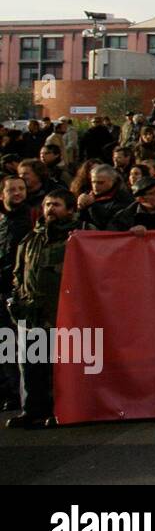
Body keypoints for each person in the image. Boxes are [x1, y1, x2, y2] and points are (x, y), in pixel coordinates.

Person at [5, 189, 79, 429]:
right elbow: (19, 272)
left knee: (61, 366)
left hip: (62, 311)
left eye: (56, 205)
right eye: (47, 204)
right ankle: (32, 410)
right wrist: (18, 299)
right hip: (32, 312)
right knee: (30, 365)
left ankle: (62, 410)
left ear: (70, 210)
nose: (50, 209)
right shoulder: (31, 238)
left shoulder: (79, 237)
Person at [0, 175, 33, 412]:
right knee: (5, 344)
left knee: (24, 347)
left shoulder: (31, 219)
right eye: (12, 189)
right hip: (3, 291)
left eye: (21, 188)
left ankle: (25, 394)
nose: (18, 193)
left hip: (20, 292)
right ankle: (12, 392)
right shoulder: (3, 222)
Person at [77, 165, 133, 231]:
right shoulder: (88, 195)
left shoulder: (123, 198)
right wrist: (81, 208)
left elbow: (112, 223)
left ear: (113, 181)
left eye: (100, 183)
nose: (95, 186)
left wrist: (93, 205)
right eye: (93, 182)